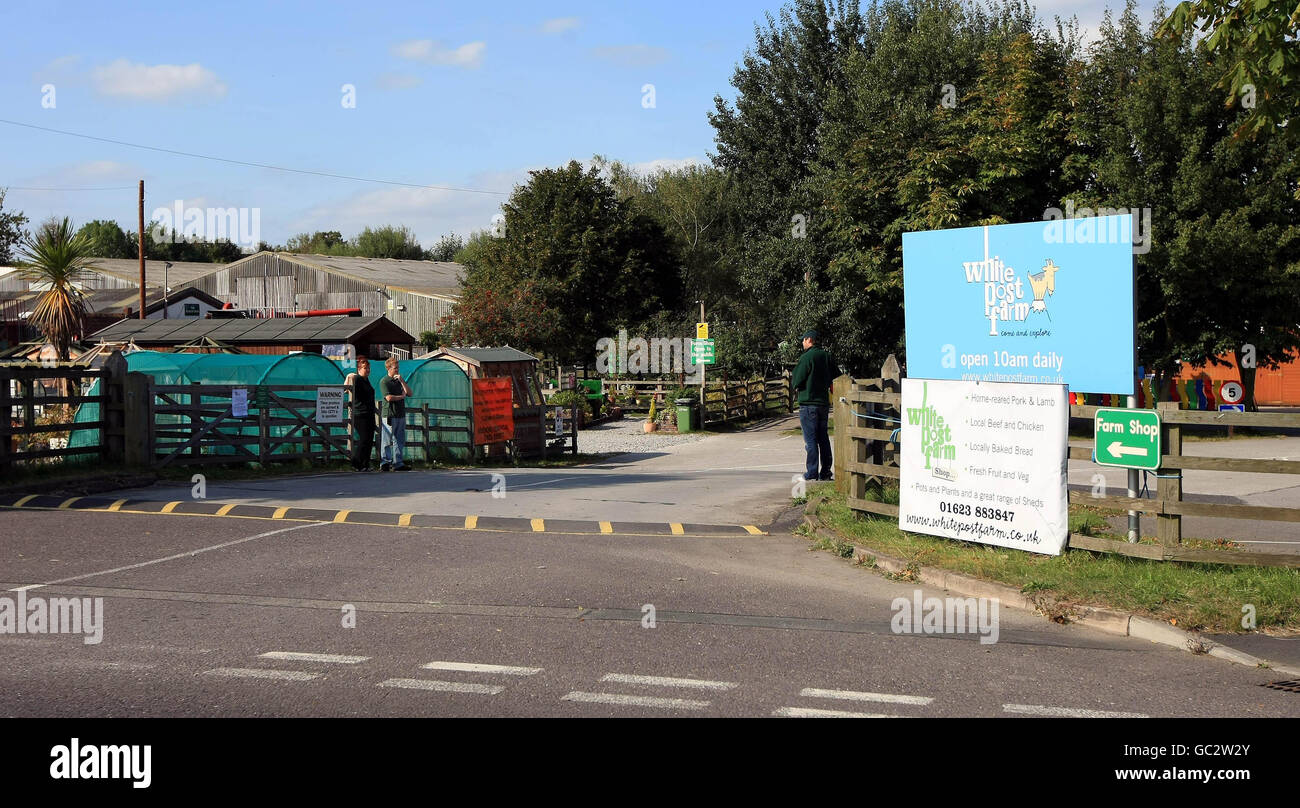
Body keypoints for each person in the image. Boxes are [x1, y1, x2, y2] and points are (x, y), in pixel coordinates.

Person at [792, 329, 834, 481]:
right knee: (823, 438)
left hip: (808, 403)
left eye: (803, 340)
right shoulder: (826, 356)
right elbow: (837, 376)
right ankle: (826, 472)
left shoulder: (806, 357)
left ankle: (811, 472)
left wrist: (796, 384)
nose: (802, 343)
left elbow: (796, 380)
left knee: (810, 440)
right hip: (823, 403)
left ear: (809, 340)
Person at [343, 356, 378, 471]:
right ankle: (356, 462)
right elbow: (346, 388)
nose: (367, 370)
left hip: (369, 413)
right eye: (365, 368)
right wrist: (349, 376)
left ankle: (365, 463)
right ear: (359, 369)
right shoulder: (357, 379)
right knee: (364, 439)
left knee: (369, 440)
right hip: (359, 414)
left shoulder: (366, 380)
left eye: (368, 368)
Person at [379, 356, 413, 471]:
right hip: (390, 414)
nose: (397, 370)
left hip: (400, 414)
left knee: (399, 439)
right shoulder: (384, 381)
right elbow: (388, 397)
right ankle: (385, 462)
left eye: (398, 368)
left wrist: (402, 381)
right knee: (387, 439)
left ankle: (398, 463)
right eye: (395, 368)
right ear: (389, 368)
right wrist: (401, 397)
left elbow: (410, 393)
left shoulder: (399, 381)